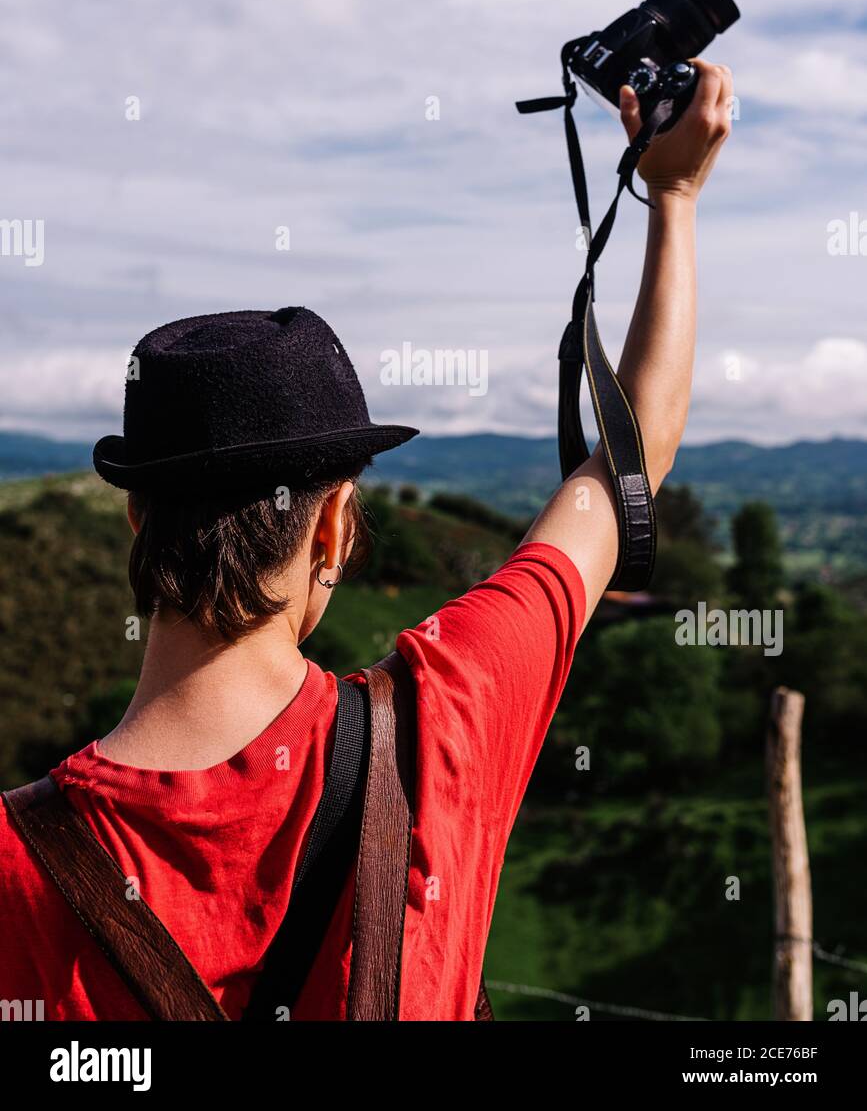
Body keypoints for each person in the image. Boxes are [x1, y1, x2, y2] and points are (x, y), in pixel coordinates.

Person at [0, 63, 732, 1021]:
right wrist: (671, 194)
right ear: (334, 527)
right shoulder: (449, 715)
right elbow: (629, 458)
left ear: (139, 519)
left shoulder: (20, 864)